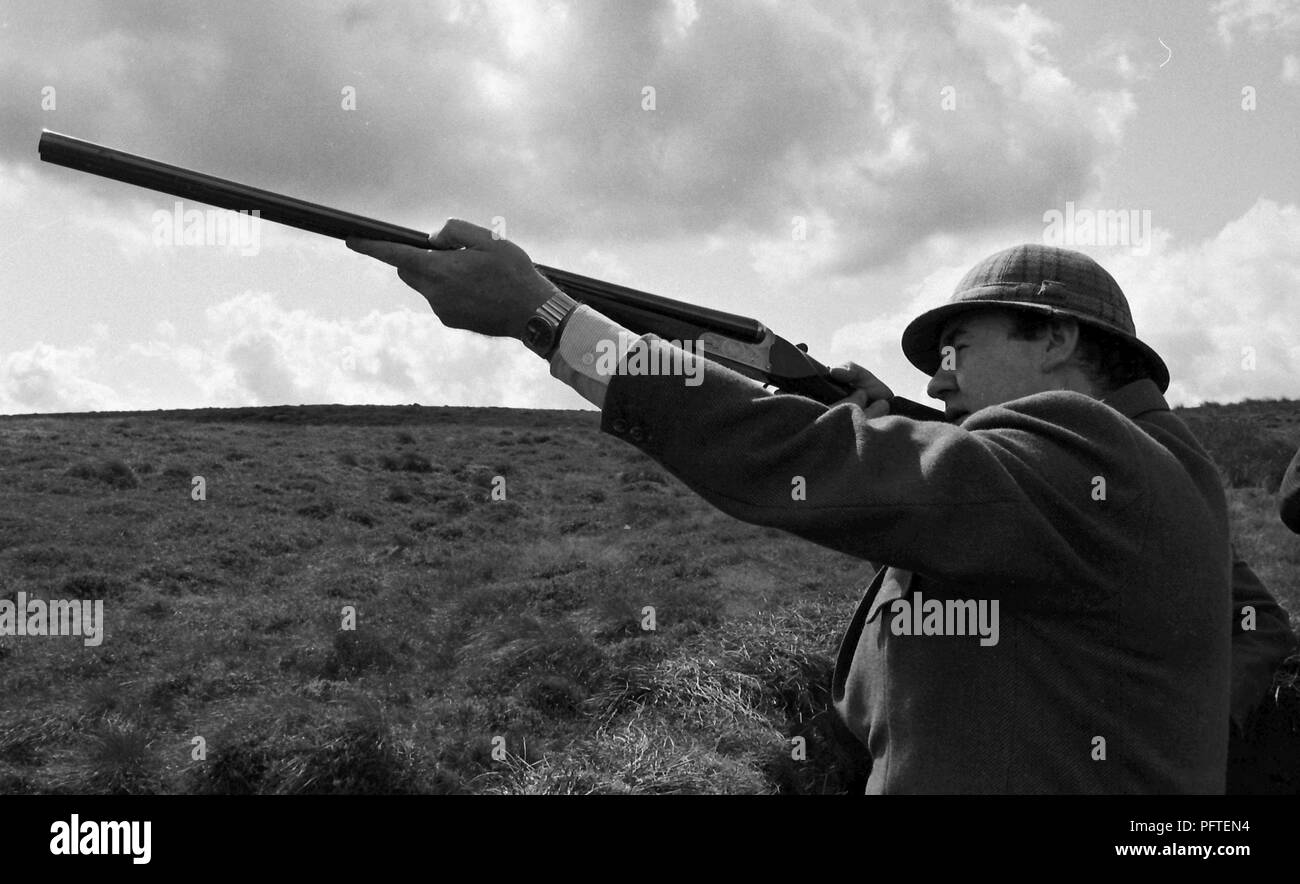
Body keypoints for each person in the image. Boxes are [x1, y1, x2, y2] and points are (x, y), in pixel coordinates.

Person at [347, 222, 1294, 793]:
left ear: (1054, 341)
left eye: (959, 346)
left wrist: (548, 320)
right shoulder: (1149, 467)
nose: (941, 374)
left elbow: (814, 460)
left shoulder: (1099, 457)